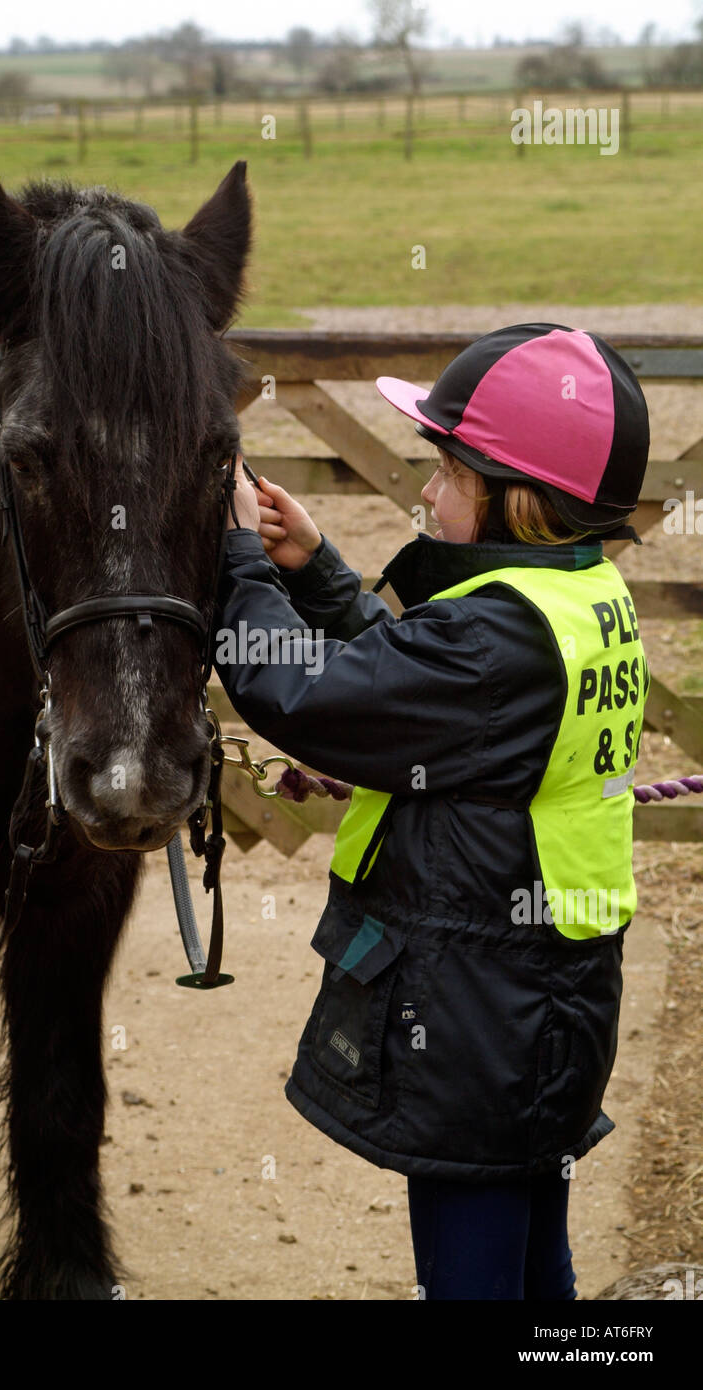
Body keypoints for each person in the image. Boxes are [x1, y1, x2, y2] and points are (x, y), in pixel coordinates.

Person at [213, 323, 650, 1300]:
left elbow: (303, 696)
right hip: (543, 1013)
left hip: (470, 1029)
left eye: (447, 472)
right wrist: (319, 571)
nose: (425, 491)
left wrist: (241, 562)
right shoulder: (569, 600)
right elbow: (424, 694)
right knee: (538, 1273)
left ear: (518, 500)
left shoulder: (493, 640)